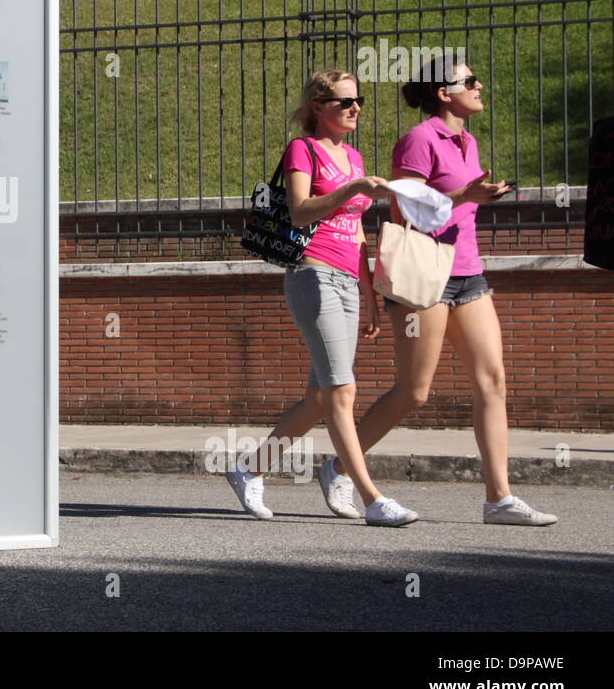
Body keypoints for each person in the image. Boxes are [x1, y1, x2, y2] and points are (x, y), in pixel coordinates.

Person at [345, 58, 558, 525]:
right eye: (470, 81)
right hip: (425, 278)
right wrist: (466, 196)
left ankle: (499, 498)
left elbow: (457, 201)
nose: (479, 86)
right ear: (444, 92)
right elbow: (406, 211)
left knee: (492, 380)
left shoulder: (468, 140)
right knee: (414, 392)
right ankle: (342, 466)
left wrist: (478, 193)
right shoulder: (419, 141)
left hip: (468, 273)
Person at [226, 70, 419, 526]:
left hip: (348, 280)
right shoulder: (303, 149)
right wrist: (352, 188)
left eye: (359, 101)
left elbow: (358, 235)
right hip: (312, 274)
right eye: (345, 101)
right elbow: (298, 210)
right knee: (341, 388)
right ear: (319, 106)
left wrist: (371, 294)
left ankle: (248, 468)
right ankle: (371, 496)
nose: (356, 108)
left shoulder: (352, 155)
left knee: (319, 396)